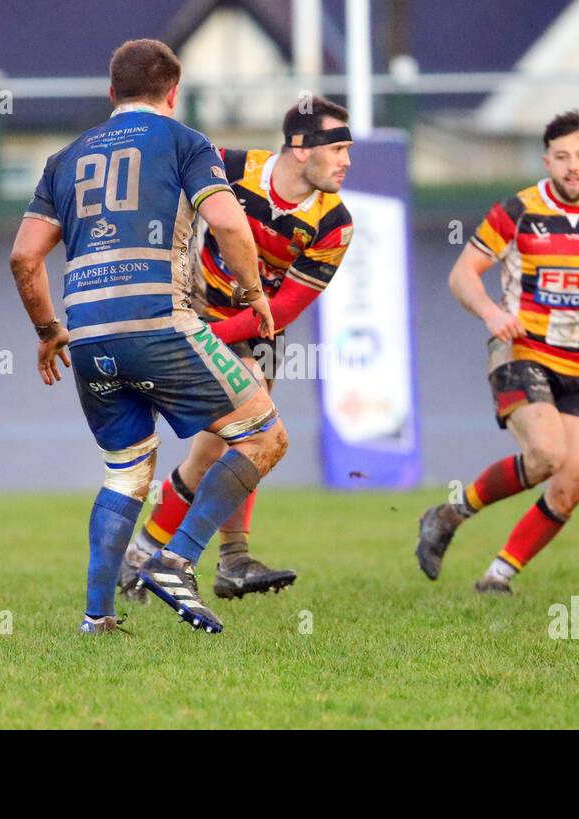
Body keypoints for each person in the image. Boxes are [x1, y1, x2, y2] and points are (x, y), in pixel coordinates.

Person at [7, 39, 286, 635]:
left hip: (89, 338)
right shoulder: (187, 143)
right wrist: (255, 292)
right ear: (173, 91)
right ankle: (176, 560)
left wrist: (47, 330)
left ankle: (97, 616)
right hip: (161, 323)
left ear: (111, 93)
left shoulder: (64, 159)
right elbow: (229, 222)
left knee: (127, 471)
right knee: (265, 435)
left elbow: (24, 258)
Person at [415, 110, 579, 594]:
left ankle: (496, 577)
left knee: (573, 483)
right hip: (517, 352)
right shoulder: (518, 211)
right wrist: (491, 314)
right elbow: (461, 275)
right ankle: (448, 516)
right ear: (546, 161)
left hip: (571, 363)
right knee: (548, 453)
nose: (572, 166)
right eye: (562, 157)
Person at [119, 96, 354, 603]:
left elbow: (282, 312)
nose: (346, 161)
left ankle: (151, 558)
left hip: (256, 332)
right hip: (196, 310)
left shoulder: (336, 223)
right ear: (298, 147)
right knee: (236, 443)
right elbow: (165, 165)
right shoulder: (228, 166)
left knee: (216, 451)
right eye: (336, 148)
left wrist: (190, 341)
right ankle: (219, 560)